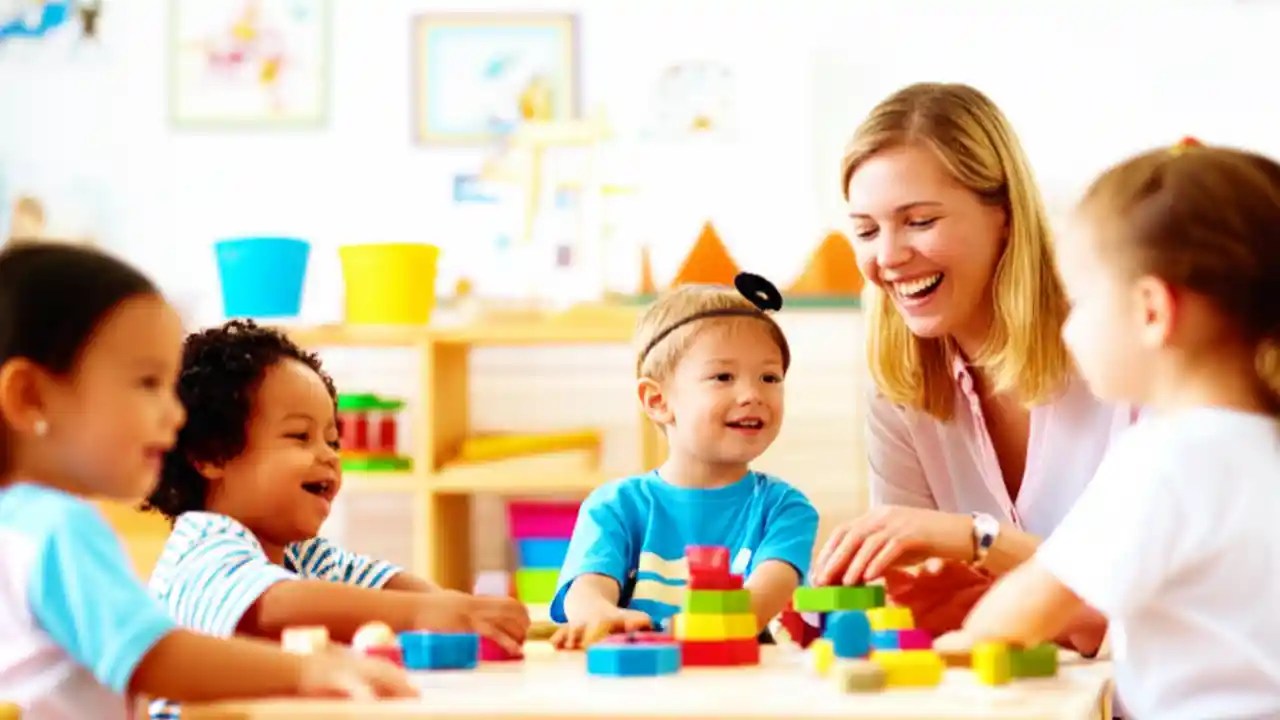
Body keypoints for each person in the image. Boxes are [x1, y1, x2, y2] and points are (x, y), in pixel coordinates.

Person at [0, 242, 414, 719]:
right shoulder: (58, 530)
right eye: (147, 384)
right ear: (31, 397)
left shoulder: (19, 528)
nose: (175, 414)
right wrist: (306, 672)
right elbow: (154, 657)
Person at [961, 140, 1280, 719]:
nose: (1068, 329)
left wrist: (950, 648)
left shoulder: (1164, 458)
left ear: (1152, 311)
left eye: (1077, 301)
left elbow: (1014, 618)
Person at [810, 82, 1129, 648]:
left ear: (1003, 214)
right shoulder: (897, 384)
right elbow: (918, 589)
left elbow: (1152, 597)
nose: (887, 256)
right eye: (865, 230)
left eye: (920, 221)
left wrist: (977, 541)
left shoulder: (1118, 352)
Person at [141, 320, 529, 718]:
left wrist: (460, 611)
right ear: (213, 456)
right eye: (299, 436)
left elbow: (385, 586)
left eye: (332, 440)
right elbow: (271, 608)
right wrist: (423, 614)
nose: (328, 455)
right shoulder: (200, 543)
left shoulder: (305, 557)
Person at [548, 275, 819, 648]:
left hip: (742, 689)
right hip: (640, 686)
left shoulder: (786, 509)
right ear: (658, 401)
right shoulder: (614, 506)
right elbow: (587, 591)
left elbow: (754, 608)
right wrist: (600, 615)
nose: (753, 394)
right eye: (723, 376)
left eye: (769, 377)